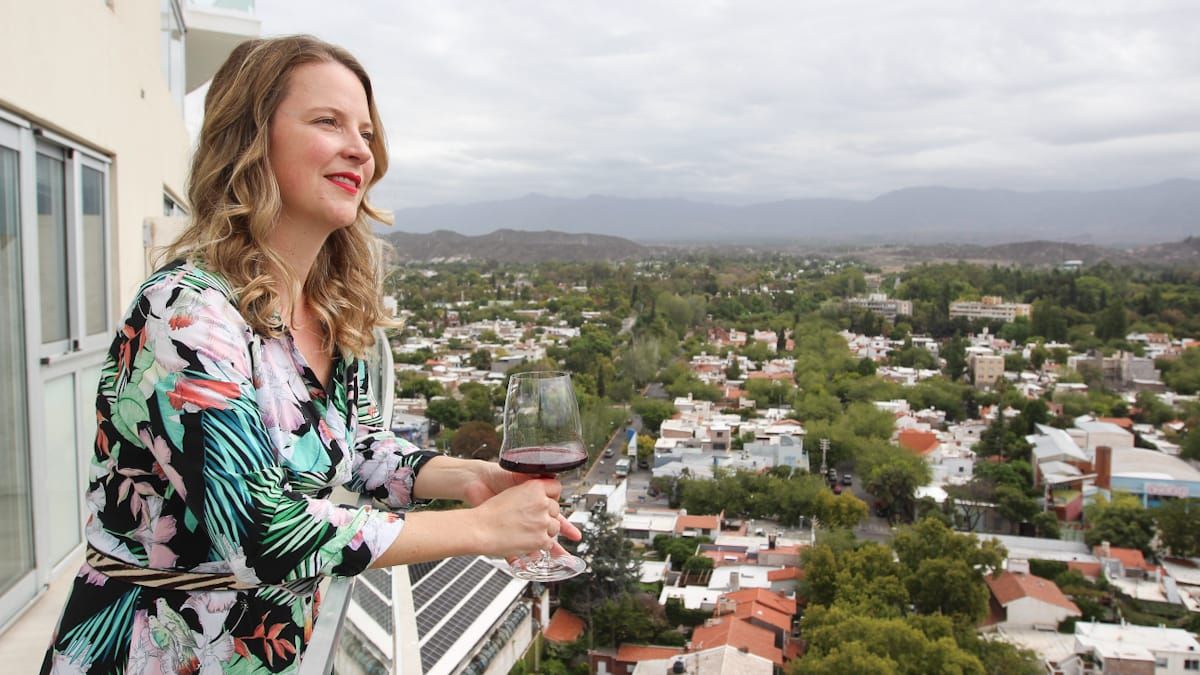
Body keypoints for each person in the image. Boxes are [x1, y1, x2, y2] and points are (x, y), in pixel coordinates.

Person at [41, 35, 580, 674]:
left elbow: (359, 449)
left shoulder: (321, 311)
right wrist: (484, 530)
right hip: (150, 654)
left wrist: (468, 477)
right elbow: (263, 534)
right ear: (250, 138)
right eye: (328, 122)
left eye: (367, 131)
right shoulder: (188, 312)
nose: (361, 148)